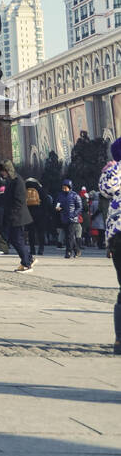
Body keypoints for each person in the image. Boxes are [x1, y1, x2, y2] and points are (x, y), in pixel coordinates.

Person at [98, 137, 121, 354]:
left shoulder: (113, 173)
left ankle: (120, 341)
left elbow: (105, 188)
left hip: (117, 235)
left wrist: (111, 168)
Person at [0, 161, 33, 271]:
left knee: (17, 239)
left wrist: (12, 214)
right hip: (13, 216)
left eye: (3, 171)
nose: (2, 173)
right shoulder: (11, 181)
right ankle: (28, 258)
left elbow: (19, 200)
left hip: (18, 216)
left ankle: (26, 263)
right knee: (15, 239)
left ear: (8, 170)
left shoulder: (18, 181)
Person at [56, 180, 83, 258]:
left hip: (72, 219)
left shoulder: (75, 195)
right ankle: (77, 250)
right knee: (69, 235)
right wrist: (57, 208)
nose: (64, 189)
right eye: (63, 188)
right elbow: (57, 204)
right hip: (64, 218)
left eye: (65, 188)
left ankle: (68, 251)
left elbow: (79, 207)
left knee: (70, 236)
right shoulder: (60, 195)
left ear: (69, 187)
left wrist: (73, 214)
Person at [25, 178, 47, 259]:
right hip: (40, 214)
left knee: (31, 232)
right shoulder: (40, 189)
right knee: (41, 232)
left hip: (29, 214)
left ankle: (32, 249)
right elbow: (46, 201)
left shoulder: (26, 189)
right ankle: (41, 249)